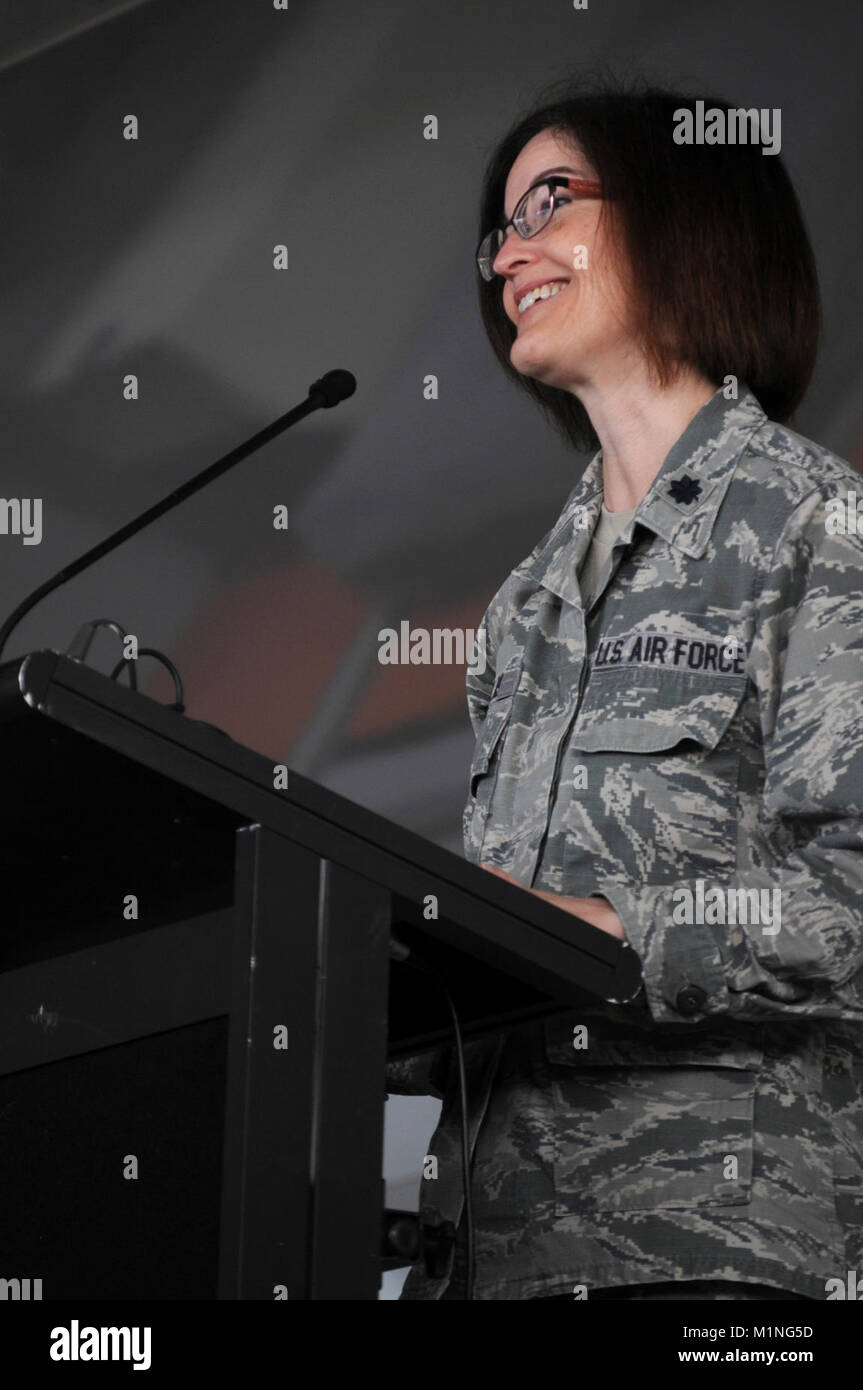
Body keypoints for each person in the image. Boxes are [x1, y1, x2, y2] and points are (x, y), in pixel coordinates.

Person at [387, 78, 863, 1301]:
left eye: (549, 201)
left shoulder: (820, 525)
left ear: (687, 212)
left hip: (715, 1258)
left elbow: (848, 907)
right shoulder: (517, 609)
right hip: (491, 1267)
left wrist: (599, 934)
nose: (508, 254)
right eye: (499, 228)